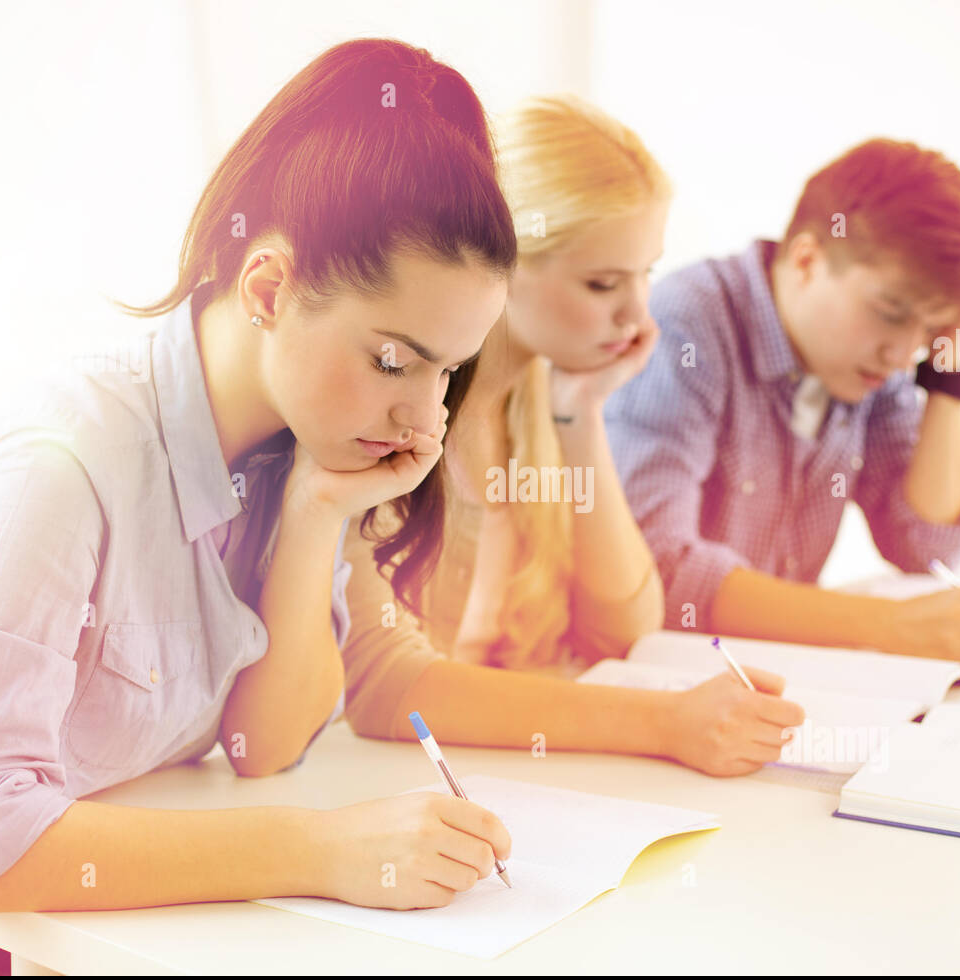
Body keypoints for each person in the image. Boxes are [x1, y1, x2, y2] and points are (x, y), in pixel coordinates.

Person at [0, 38, 517, 924]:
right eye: (391, 360)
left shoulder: (291, 447)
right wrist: (322, 849)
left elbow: (260, 744)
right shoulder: (58, 468)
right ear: (267, 287)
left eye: (446, 374)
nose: (423, 421)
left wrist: (316, 509)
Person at [339, 95, 804, 775]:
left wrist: (581, 418)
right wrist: (665, 723)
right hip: (393, 789)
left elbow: (621, 632)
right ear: (501, 264)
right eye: (602, 282)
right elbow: (383, 688)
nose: (638, 315)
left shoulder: (541, 399)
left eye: (646, 274)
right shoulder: (389, 408)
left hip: (516, 781)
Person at [604, 138, 960, 663]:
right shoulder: (688, 326)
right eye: (892, 312)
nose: (903, 356)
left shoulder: (870, 366)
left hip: (765, 680)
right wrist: (888, 626)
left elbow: (927, 546)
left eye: (931, 330)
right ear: (806, 260)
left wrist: (950, 361)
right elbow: (655, 570)